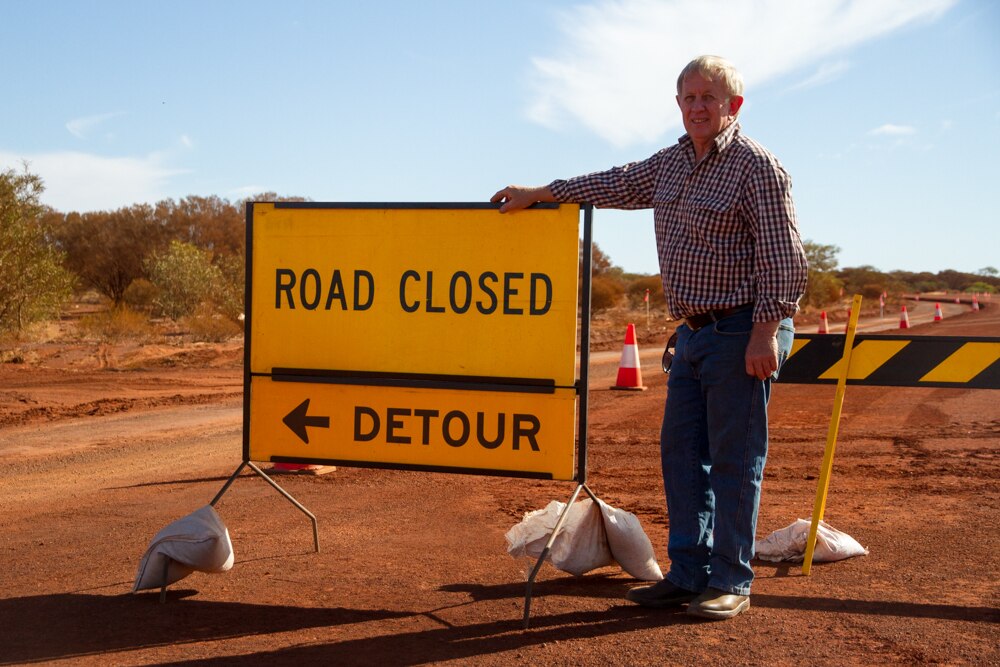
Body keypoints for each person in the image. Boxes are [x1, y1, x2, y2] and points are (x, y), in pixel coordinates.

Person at [492, 55, 808, 620]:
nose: (696, 108)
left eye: (708, 98)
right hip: (691, 335)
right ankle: (688, 574)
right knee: (683, 458)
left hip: (742, 330)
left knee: (735, 460)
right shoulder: (670, 165)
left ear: (734, 105)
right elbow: (611, 183)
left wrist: (765, 332)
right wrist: (541, 193)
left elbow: (784, 258)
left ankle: (731, 581)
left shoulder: (757, 167)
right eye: (687, 98)